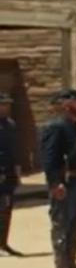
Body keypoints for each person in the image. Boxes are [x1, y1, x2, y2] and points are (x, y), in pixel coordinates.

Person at [41, 88, 76, 268]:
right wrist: (55, 182)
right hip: (65, 182)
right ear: (66, 105)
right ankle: (61, 266)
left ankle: (72, 260)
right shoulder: (55, 127)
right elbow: (50, 158)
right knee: (61, 223)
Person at [0, 93, 20, 258]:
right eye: (3, 104)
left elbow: (13, 150)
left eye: (7, 104)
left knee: (6, 209)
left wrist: (17, 169)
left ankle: (3, 242)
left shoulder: (10, 125)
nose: (6, 107)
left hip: (9, 173)